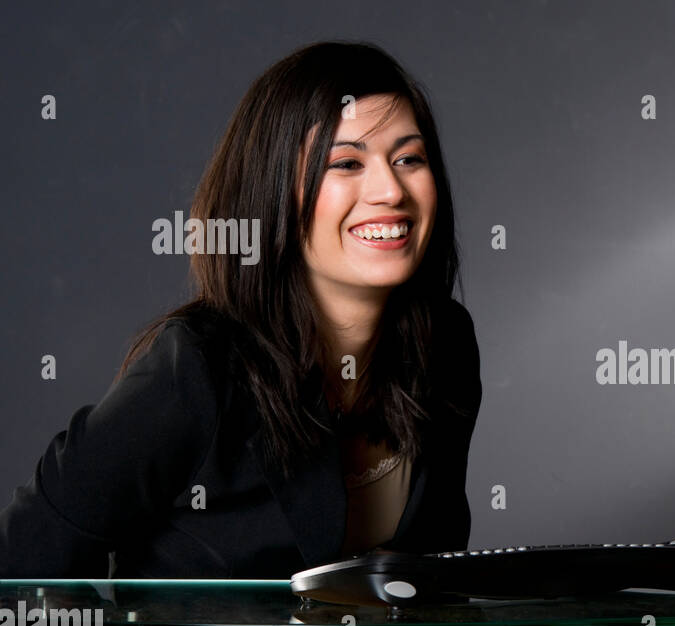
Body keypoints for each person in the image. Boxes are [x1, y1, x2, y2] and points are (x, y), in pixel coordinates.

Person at [0, 42, 481, 578]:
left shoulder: (446, 346)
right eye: (346, 163)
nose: (390, 189)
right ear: (271, 193)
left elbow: (436, 584)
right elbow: (25, 556)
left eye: (408, 158)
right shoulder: (199, 365)